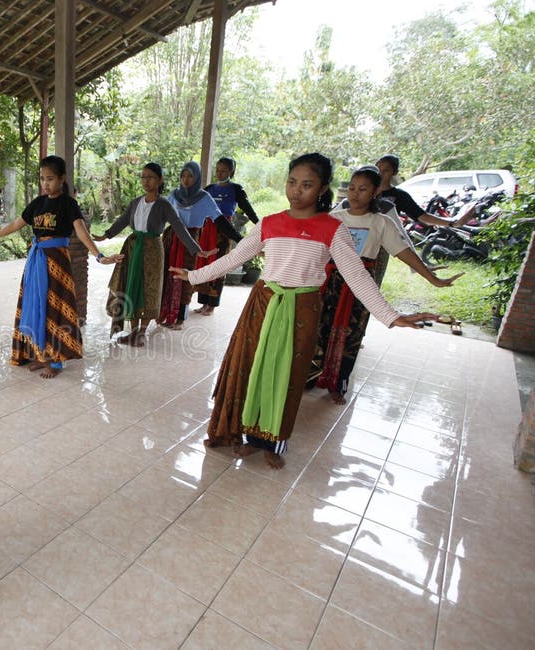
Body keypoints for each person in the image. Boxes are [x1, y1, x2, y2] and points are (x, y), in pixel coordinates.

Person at [171, 153, 434, 470]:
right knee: (250, 369)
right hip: (263, 304)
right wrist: (194, 276)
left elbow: (357, 276)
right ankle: (247, 437)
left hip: (302, 309)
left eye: (307, 185)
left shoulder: (332, 229)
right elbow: (234, 258)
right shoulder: (270, 223)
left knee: (289, 376)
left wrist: (392, 316)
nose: (296, 191)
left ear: (323, 189)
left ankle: (273, 441)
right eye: (292, 182)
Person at [314, 165, 461, 404]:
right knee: (320, 327)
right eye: (352, 187)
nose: (354, 193)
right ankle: (312, 375)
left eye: (363, 189)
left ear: (375, 193)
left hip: (360, 285)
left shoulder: (381, 222)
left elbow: (404, 253)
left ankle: (338, 384)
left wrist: (432, 278)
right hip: (330, 282)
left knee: (352, 333)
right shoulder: (333, 218)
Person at [0, 155, 121, 378]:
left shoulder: (68, 204)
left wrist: (99, 255)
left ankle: (56, 361)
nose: (46, 183)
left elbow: (81, 232)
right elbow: (17, 223)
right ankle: (40, 354)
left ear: (62, 179)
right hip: (36, 262)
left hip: (58, 263)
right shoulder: (38, 203)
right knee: (35, 306)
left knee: (55, 308)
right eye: (42, 179)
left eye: (51, 179)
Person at [96, 163, 206, 346]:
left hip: (152, 250)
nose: (146, 181)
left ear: (160, 180)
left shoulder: (164, 204)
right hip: (132, 248)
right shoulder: (136, 202)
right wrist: (105, 235)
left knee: (149, 289)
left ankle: (141, 333)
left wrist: (195, 248)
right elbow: (123, 221)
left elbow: (178, 226)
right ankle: (132, 331)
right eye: (143, 177)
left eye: (151, 177)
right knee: (132, 286)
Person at [160, 161, 224, 329]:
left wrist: (238, 238)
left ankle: (180, 319)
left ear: (197, 178)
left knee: (186, 278)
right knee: (167, 275)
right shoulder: (174, 195)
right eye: (183, 176)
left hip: (190, 241)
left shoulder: (204, 198)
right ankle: (165, 314)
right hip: (171, 238)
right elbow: (162, 215)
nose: (185, 180)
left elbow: (219, 218)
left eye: (190, 176)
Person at [196, 156, 259, 315]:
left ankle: (212, 305)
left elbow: (248, 209)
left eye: (223, 170)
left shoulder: (236, 189)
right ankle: (203, 302)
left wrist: (260, 224)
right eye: (217, 170)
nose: (219, 173)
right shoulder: (209, 189)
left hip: (224, 232)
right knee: (204, 264)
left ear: (231, 171)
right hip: (206, 230)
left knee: (219, 265)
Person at [376, 154, 457, 227]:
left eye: (386, 170)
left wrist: (452, 223)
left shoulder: (400, 195)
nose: (380, 173)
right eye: (378, 169)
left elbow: (422, 217)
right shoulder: (366, 191)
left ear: (394, 172)